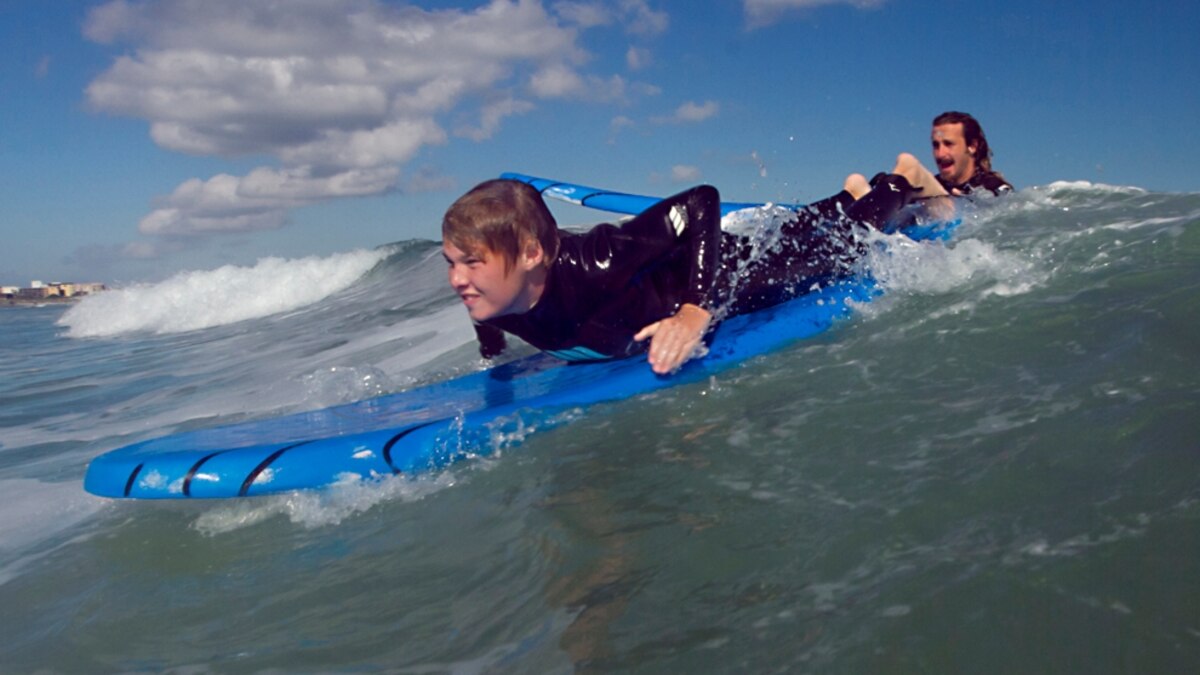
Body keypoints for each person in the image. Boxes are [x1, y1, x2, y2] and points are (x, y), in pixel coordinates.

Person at [443, 175, 914, 375]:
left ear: (530, 255)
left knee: (840, 253)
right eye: (451, 263)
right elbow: (484, 315)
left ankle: (897, 188)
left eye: (472, 262)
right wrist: (494, 360)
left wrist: (694, 311)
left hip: (734, 274)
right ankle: (846, 194)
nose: (458, 281)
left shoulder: (597, 264)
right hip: (706, 270)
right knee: (803, 229)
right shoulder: (494, 297)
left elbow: (699, 201)